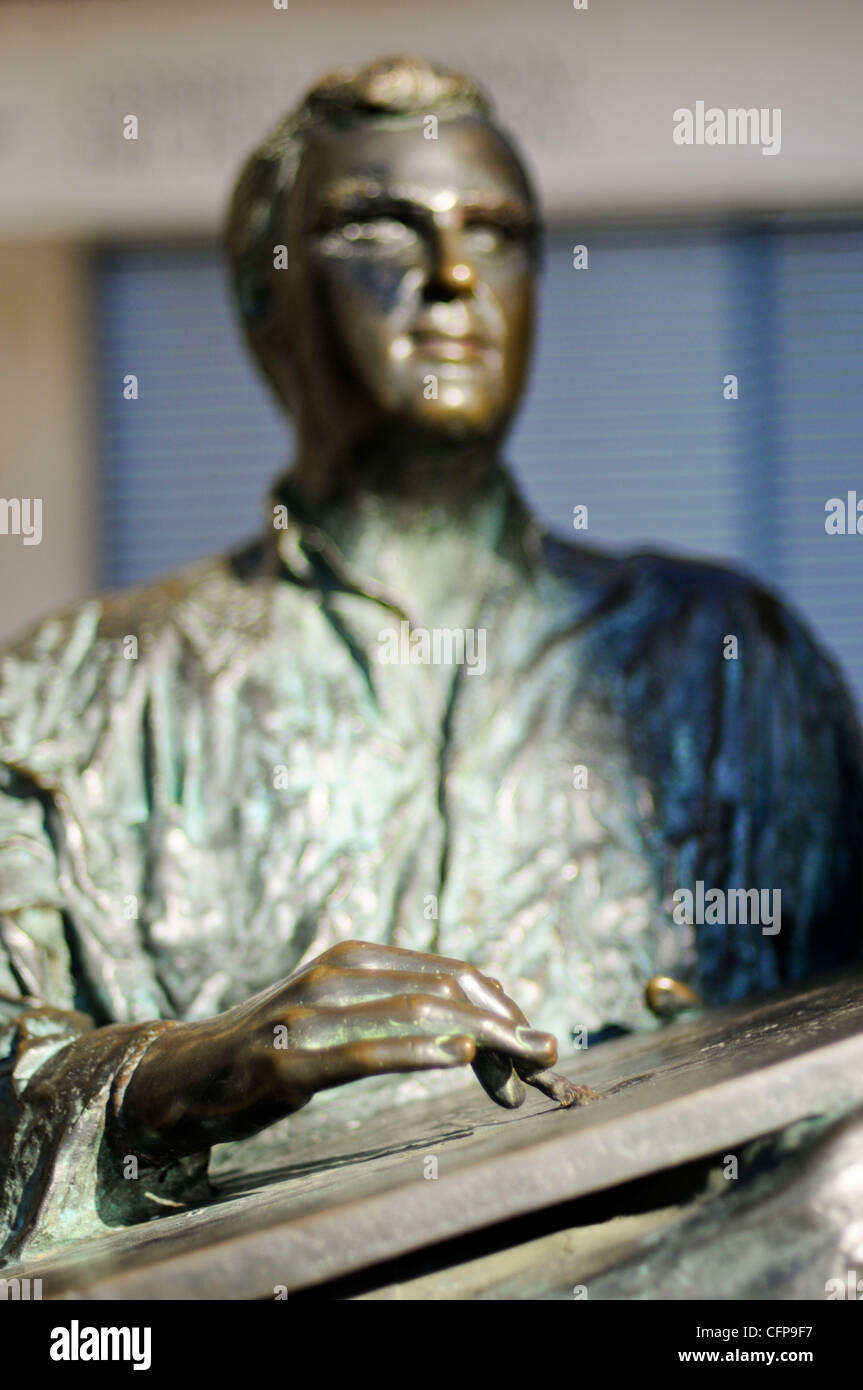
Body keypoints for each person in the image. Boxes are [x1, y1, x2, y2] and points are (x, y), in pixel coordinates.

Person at [1, 55, 861, 1264]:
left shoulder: (728, 660)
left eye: (497, 235)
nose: (453, 279)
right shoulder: (78, 697)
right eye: (378, 232)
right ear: (266, 297)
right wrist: (187, 1072)